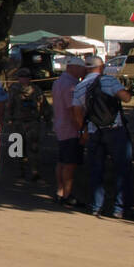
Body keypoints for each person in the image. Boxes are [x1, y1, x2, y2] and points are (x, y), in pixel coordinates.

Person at [73, 55, 133, 219]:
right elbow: (126, 98)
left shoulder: (80, 87)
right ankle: (119, 208)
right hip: (115, 130)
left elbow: (77, 113)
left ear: (87, 68)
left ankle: (96, 206)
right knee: (122, 169)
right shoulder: (109, 81)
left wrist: (83, 131)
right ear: (102, 67)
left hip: (94, 131)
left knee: (96, 170)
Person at [51, 57, 88, 206]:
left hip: (60, 126)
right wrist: (81, 130)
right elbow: (73, 110)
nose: (84, 71)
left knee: (62, 161)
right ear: (74, 68)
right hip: (70, 129)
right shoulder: (71, 85)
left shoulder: (58, 82)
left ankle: (60, 191)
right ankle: (67, 195)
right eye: (82, 69)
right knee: (70, 164)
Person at [6, 68, 51, 183]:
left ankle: (35, 173)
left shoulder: (36, 90)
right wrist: (8, 119)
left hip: (32, 123)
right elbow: (9, 106)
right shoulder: (14, 90)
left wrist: (47, 119)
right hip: (18, 123)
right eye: (22, 77)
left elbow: (43, 105)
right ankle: (20, 173)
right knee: (17, 150)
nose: (24, 79)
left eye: (26, 77)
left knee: (33, 149)